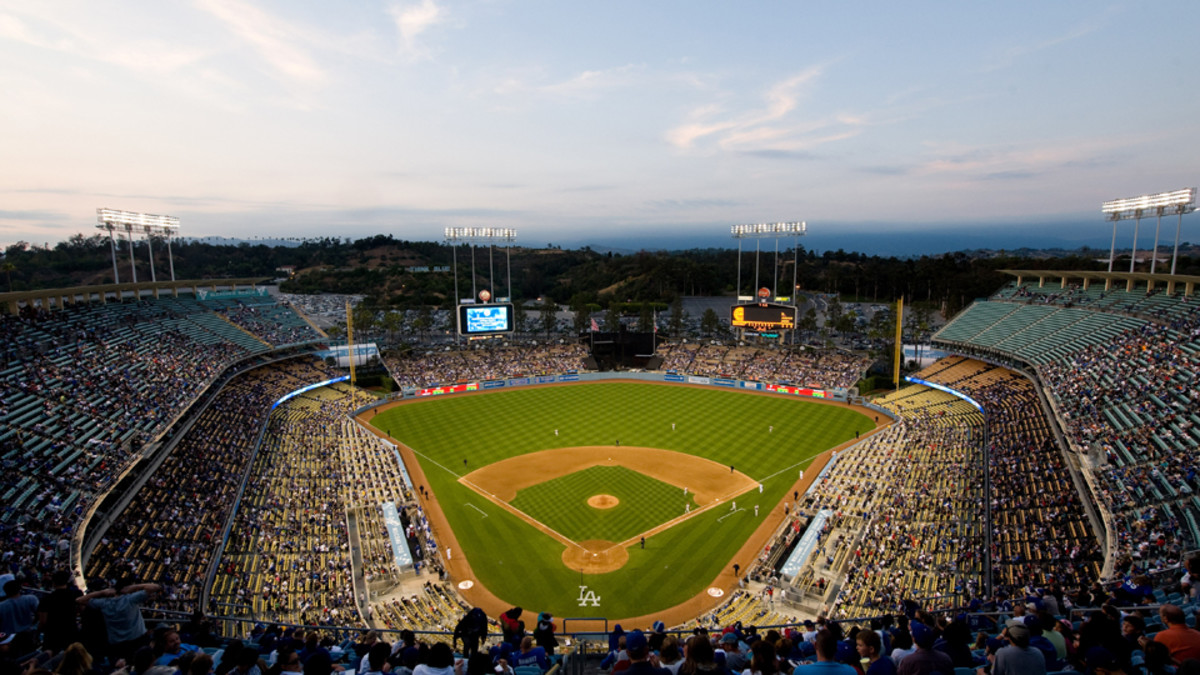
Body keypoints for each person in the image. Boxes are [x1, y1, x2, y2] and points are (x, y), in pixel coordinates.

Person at [80, 580, 161, 660]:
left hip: (117, 645)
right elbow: (156, 587)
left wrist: (102, 592)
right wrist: (134, 587)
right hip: (138, 641)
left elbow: (80, 600)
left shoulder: (104, 603)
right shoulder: (131, 599)